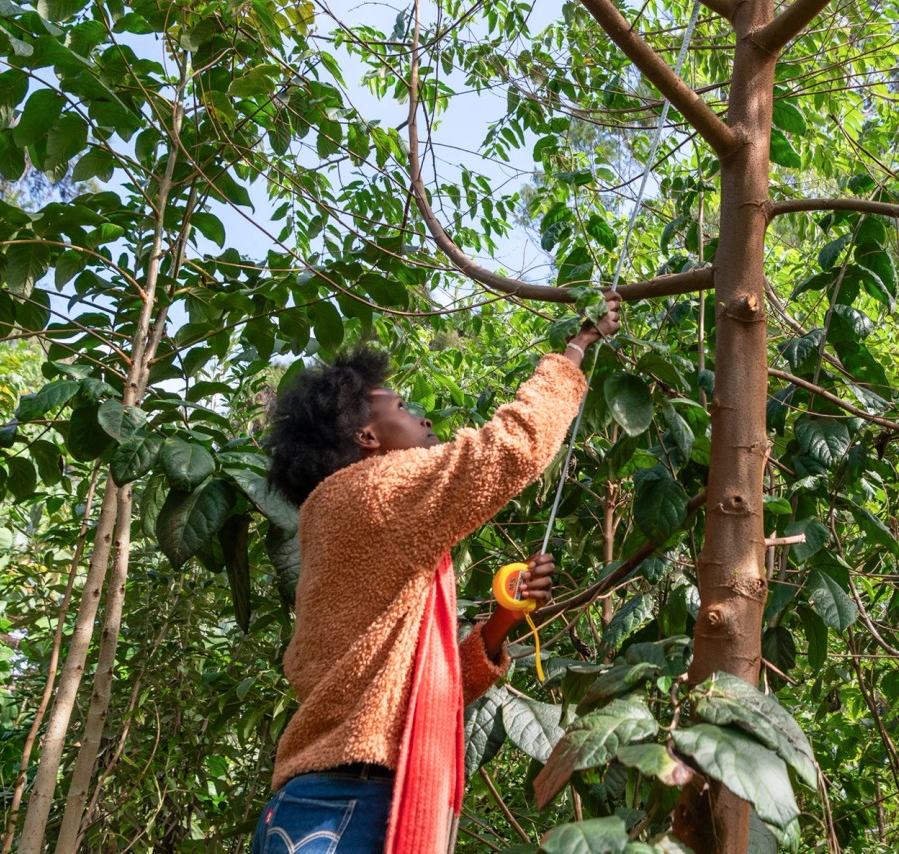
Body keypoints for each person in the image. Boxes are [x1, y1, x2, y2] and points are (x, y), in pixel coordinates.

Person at [252, 294, 622, 854]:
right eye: (400, 407)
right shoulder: (372, 492)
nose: (421, 417)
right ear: (367, 439)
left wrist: (501, 620)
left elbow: (414, 690)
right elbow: (510, 450)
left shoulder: (337, 522)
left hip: (323, 803)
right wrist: (573, 352)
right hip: (352, 802)